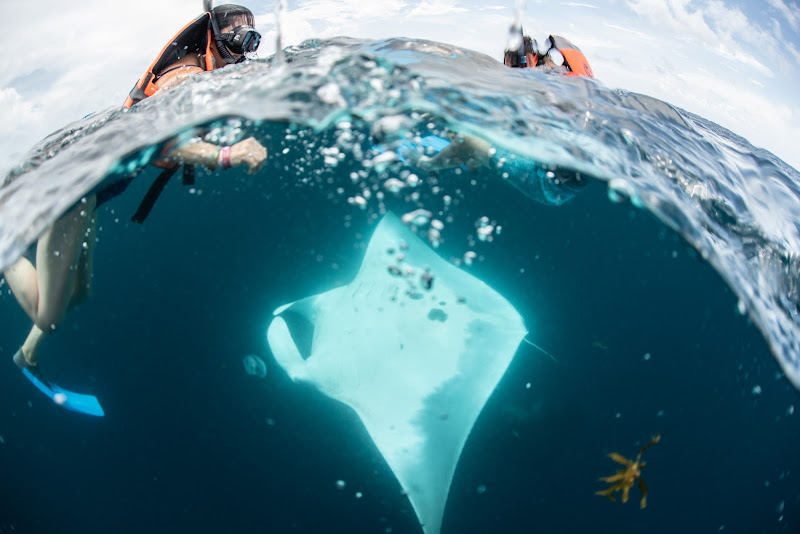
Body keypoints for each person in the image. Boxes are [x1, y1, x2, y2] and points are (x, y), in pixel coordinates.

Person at [4, 3, 267, 415]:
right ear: (214, 34)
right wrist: (230, 153)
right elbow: (169, 143)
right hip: (71, 195)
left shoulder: (210, 72)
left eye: (252, 36)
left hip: (93, 193)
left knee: (81, 293)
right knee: (51, 314)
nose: (244, 46)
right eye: (237, 35)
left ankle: (27, 353)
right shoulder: (184, 78)